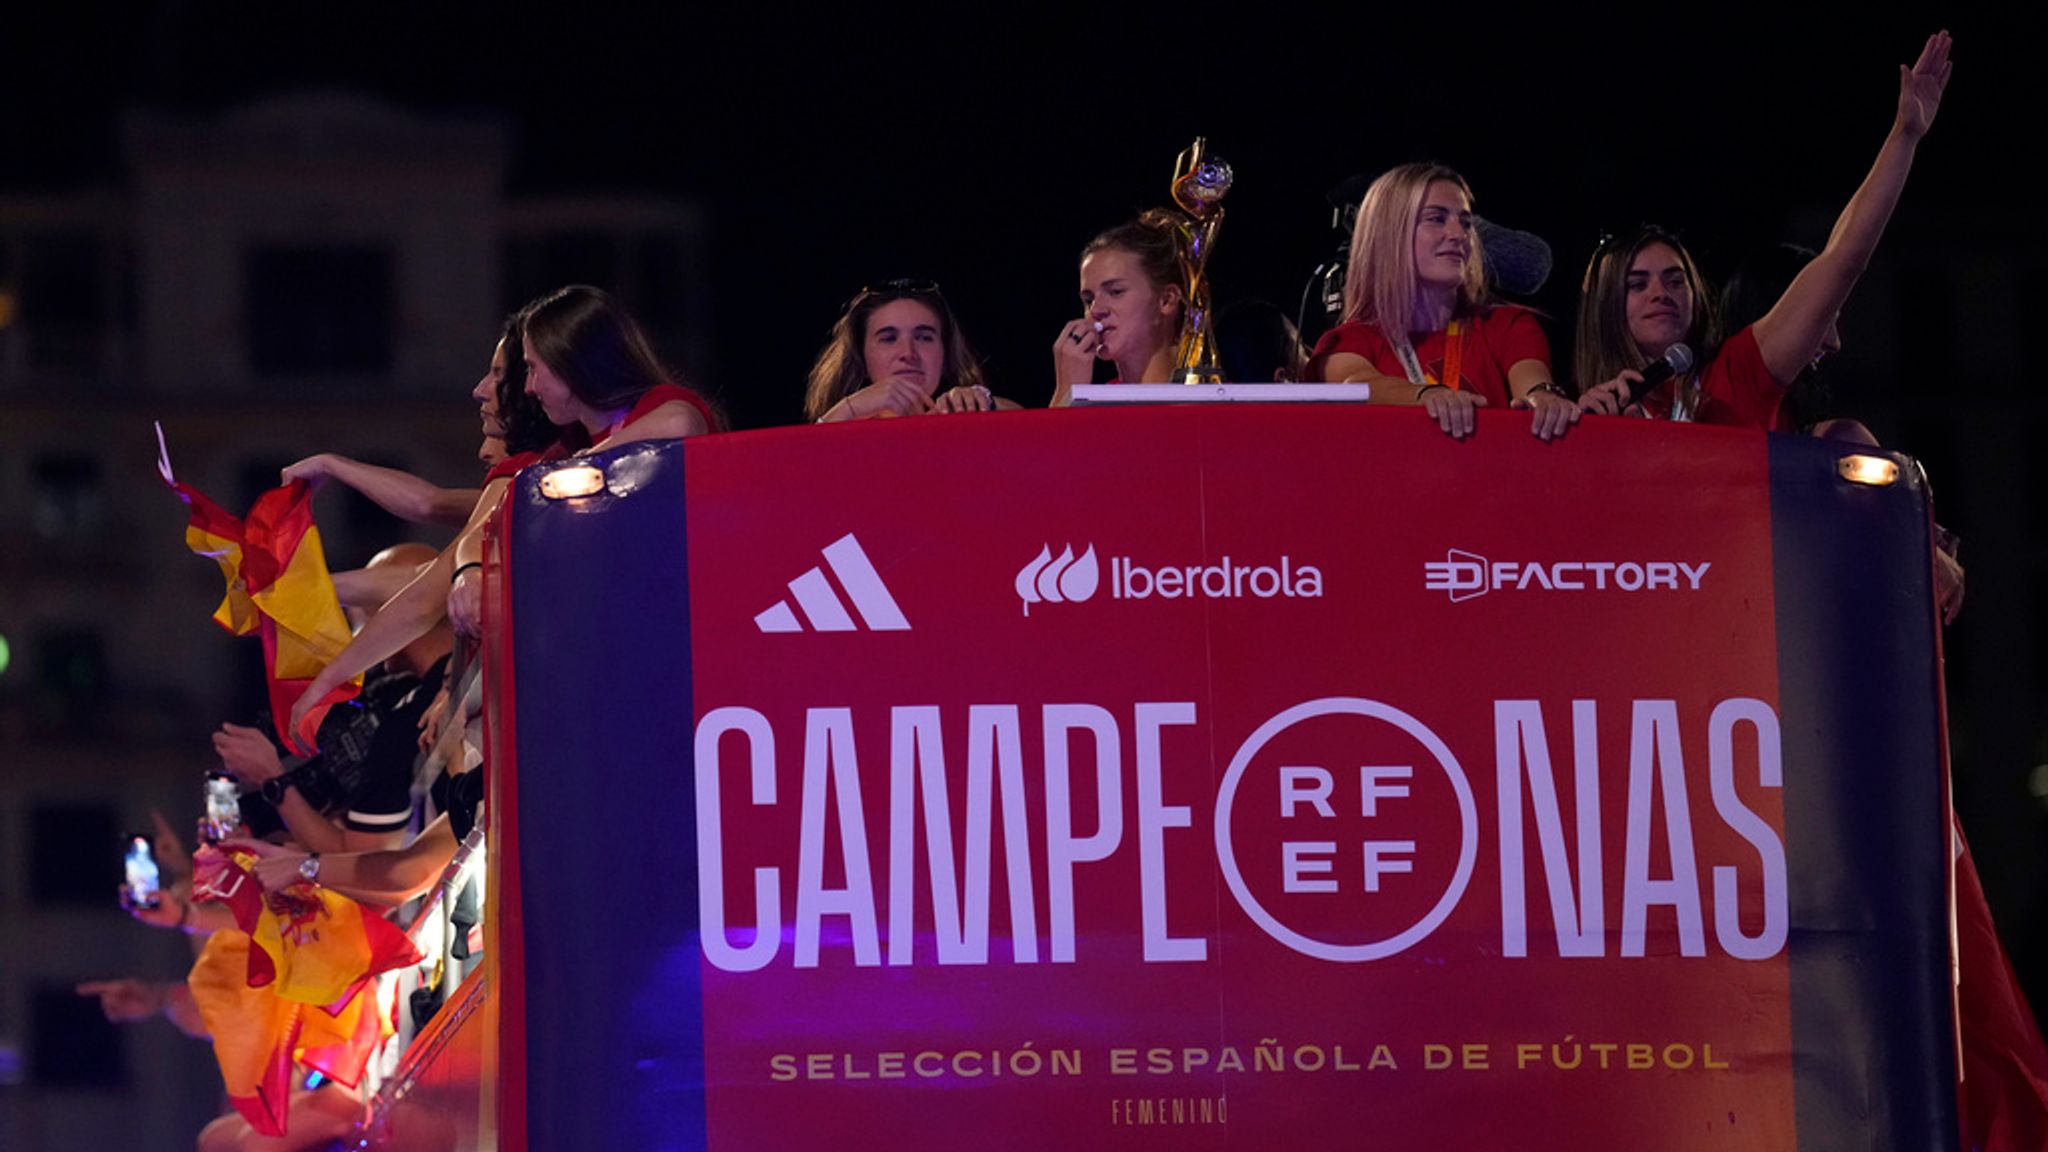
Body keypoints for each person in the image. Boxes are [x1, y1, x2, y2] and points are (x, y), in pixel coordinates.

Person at [1576, 31, 1953, 428]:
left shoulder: (1737, 374)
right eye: (1637, 284)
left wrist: (1904, 136)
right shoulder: (1584, 411)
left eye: (1676, 280)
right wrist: (1596, 432)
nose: (1661, 294)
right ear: (1603, 308)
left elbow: (1841, 260)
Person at [1304, 163, 1576, 440]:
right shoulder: (1350, 341)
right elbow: (1358, 384)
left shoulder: (1507, 325)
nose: (1459, 235)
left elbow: (1532, 384)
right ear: (1389, 234)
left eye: (1466, 222)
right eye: (1436, 219)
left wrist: (1542, 397)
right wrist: (1427, 396)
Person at [805, 279, 1008, 421]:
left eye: (924, 338)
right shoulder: (843, 428)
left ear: (946, 356)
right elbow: (799, 468)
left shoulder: (970, 418)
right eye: (889, 339)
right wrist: (847, 410)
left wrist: (985, 404)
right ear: (861, 359)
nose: (908, 353)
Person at [1051, 210, 1189, 406]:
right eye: (1088, 299)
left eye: (1115, 292)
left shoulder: (1218, 398)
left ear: (1166, 300)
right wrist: (1067, 391)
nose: (1096, 310)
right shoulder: (1092, 406)